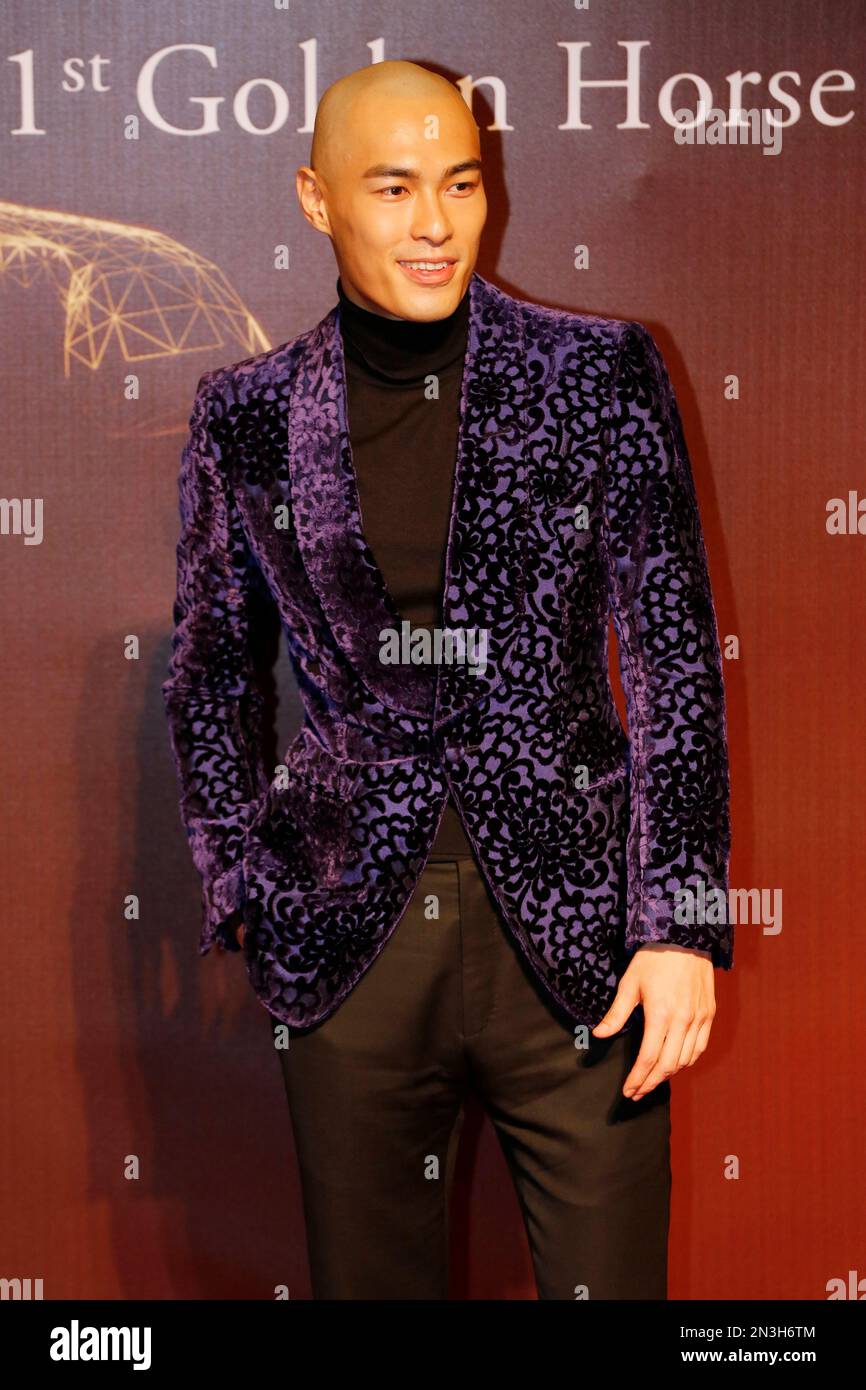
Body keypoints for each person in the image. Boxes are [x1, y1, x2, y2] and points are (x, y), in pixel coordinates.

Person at [162, 59, 732, 1300]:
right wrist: (241, 870)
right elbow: (210, 665)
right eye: (395, 186)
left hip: (579, 941)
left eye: (462, 183)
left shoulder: (599, 375)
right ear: (316, 199)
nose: (435, 223)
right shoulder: (245, 415)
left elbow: (674, 654)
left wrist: (679, 919)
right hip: (348, 941)